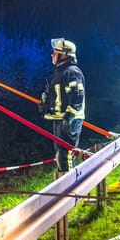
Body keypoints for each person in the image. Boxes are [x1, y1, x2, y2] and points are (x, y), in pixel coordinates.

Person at [39, 38, 86, 174]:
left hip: (69, 120)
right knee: (60, 154)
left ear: (64, 54)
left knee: (67, 155)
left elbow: (77, 96)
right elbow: (59, 97)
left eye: (55, 52)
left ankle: (72, 187)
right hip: (60, 118)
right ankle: (65, 183)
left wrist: (69, 117)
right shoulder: (59, 72)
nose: (52, 55)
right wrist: (45, 106)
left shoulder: (72, 72)